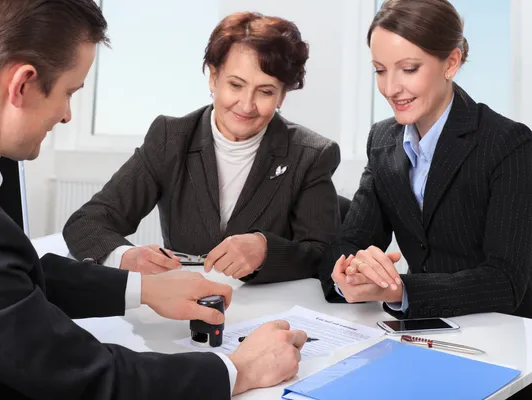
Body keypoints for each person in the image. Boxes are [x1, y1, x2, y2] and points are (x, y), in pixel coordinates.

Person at [0, 1, 307, 399]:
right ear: (22, 84)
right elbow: (88, 377)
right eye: (68, 92)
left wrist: (141, 290)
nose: (66, 116)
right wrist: (237, 370)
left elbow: (3, 282)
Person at [63, 12, 341, 284]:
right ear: (213, 77)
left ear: (282, 95)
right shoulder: (169, 138)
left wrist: (266, 249)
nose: (246, 105)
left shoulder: (311, 154)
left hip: (272, 313)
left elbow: (323, 253)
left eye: (265, 91)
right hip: (182, 308)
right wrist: (124, 257)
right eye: (235, 85)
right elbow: (86, 223)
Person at [319, 0, 532, 320]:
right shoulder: (382, 139)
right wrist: (351, 273)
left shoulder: (508, 144)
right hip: (421, 329)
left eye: (409, 69)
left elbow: (505, 281)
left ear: (451, 63)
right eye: (380, 70)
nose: (390, 88)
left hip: (502, 332)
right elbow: (348, 242)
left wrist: (401, 291)